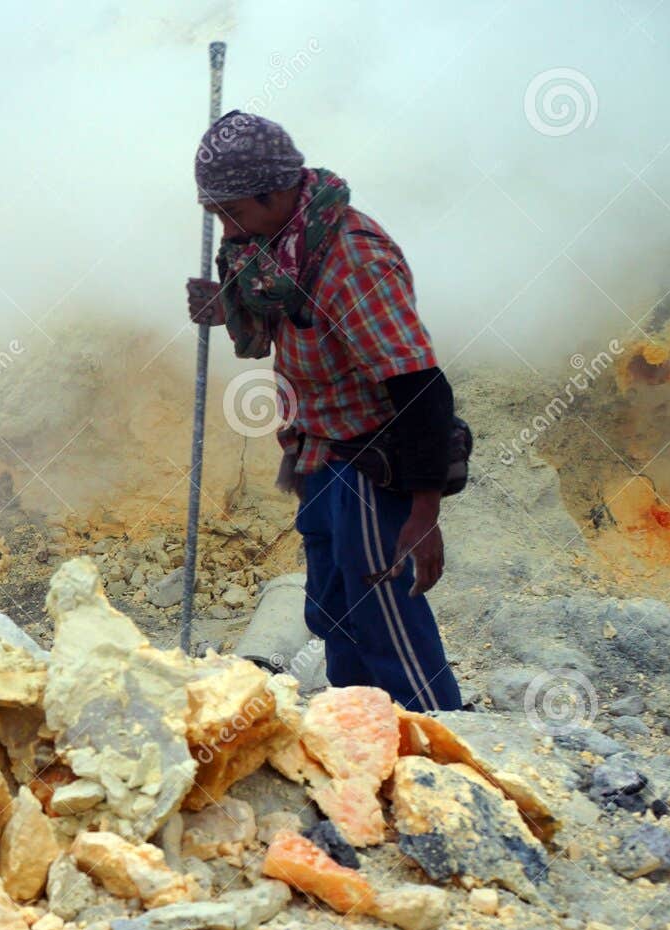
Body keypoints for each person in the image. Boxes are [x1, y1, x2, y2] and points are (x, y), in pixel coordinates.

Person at [185, 112, 462, 711]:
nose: (228, 230)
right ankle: (358, 735)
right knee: (334, 616)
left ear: (277, 192)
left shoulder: (351, 260)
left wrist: (423, 513)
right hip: (317, 455)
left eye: (232, 212)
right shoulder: (281, 252)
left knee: (386, 625)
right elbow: (264, 316)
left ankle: (441, 754)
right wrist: (223, 306)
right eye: (218, 217)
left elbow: (420, 386)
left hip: (369, 464)